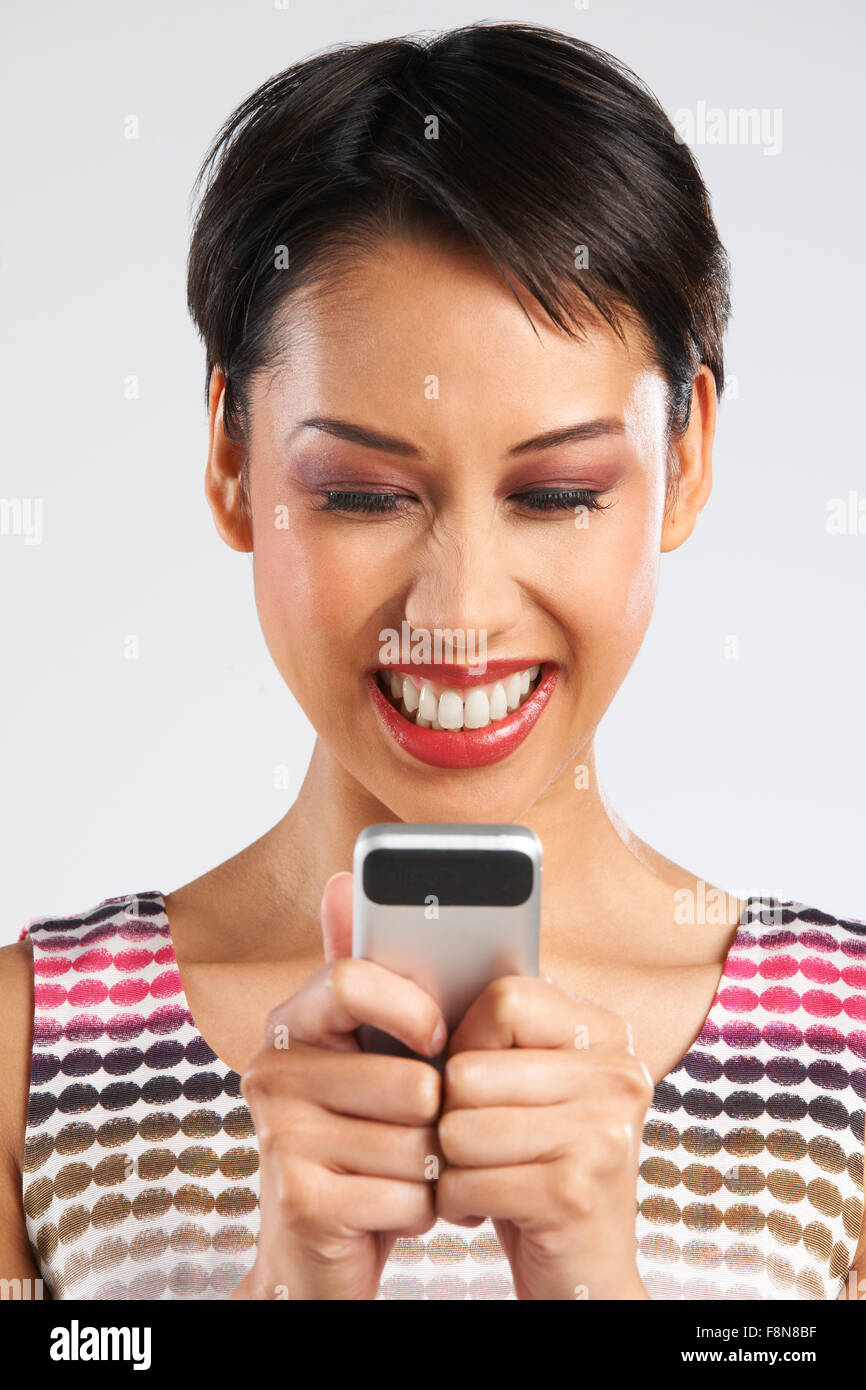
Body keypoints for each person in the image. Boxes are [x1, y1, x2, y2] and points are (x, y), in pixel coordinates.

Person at [1, 21, 864, 1301]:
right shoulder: (32, 1051)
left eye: (560, 492)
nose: (456, 613)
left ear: (682, 463)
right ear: (234, 465)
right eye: (359, 493)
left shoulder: (842, 1059)